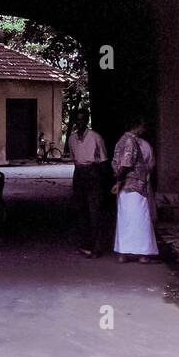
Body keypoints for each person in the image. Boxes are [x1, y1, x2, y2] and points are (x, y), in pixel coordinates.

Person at [111, 116, 159, 263]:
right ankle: (143, 254)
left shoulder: (121, 141)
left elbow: (117, 162)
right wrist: (120, 180)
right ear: (136, 126)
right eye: (142, 126)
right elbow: (126, 164)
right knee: (141, 218)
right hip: (135, 184)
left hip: (126, 185)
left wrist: (118, 180)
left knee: (125, 219)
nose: (144, 129)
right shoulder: (131, 141)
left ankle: (123, 253)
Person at [67, 111, 109, 258]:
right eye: (77, 120)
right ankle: (85, 244)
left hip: (93, 173)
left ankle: (97, 246)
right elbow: (74, 159)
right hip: (79, 174)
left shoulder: (96, 138)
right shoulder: (71, 139)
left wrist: (102, 183)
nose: (79, 123)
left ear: (86, 121)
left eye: (82, 120)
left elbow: (103, 162)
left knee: (94, 211)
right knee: (80, 210)